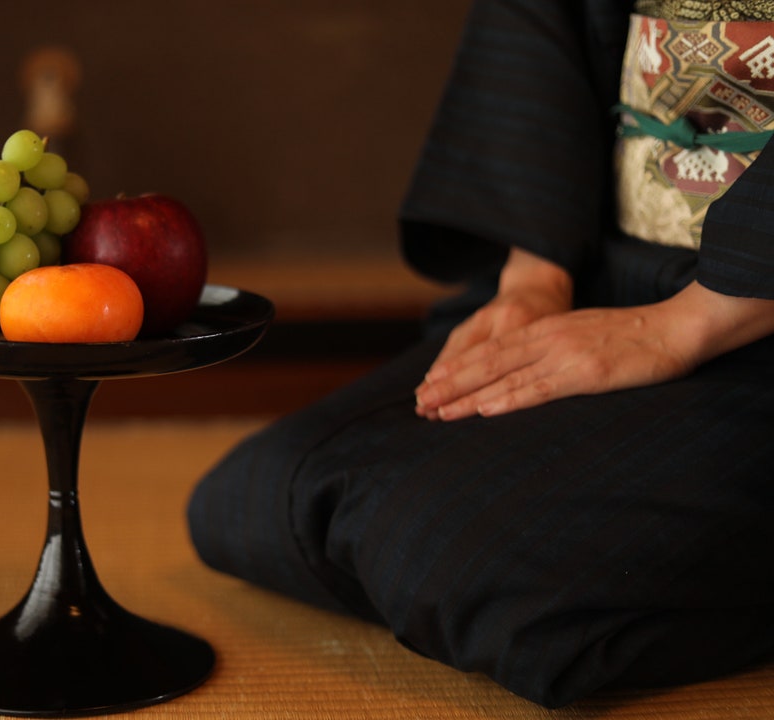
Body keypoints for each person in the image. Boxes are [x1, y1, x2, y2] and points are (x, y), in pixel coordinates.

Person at [187, 0, 774, 708]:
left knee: (480, 578)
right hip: (607, 273)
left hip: (751, 305)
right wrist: (534, 279)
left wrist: (684, 325)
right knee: (256, 499)